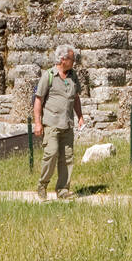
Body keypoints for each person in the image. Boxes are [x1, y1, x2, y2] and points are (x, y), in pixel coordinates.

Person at [34, 44, 84, 201]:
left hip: (67, 124)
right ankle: (42, 185)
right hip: (51, 123)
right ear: (63, 59)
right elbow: (38, 100)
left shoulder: (73, 76)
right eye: (72, 58)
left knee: (67, 158)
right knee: (51, 153)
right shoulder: (48, 75)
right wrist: (38, 123)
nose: (74, 61)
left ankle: (63, 189)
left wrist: (80, 117)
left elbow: (76, 98)